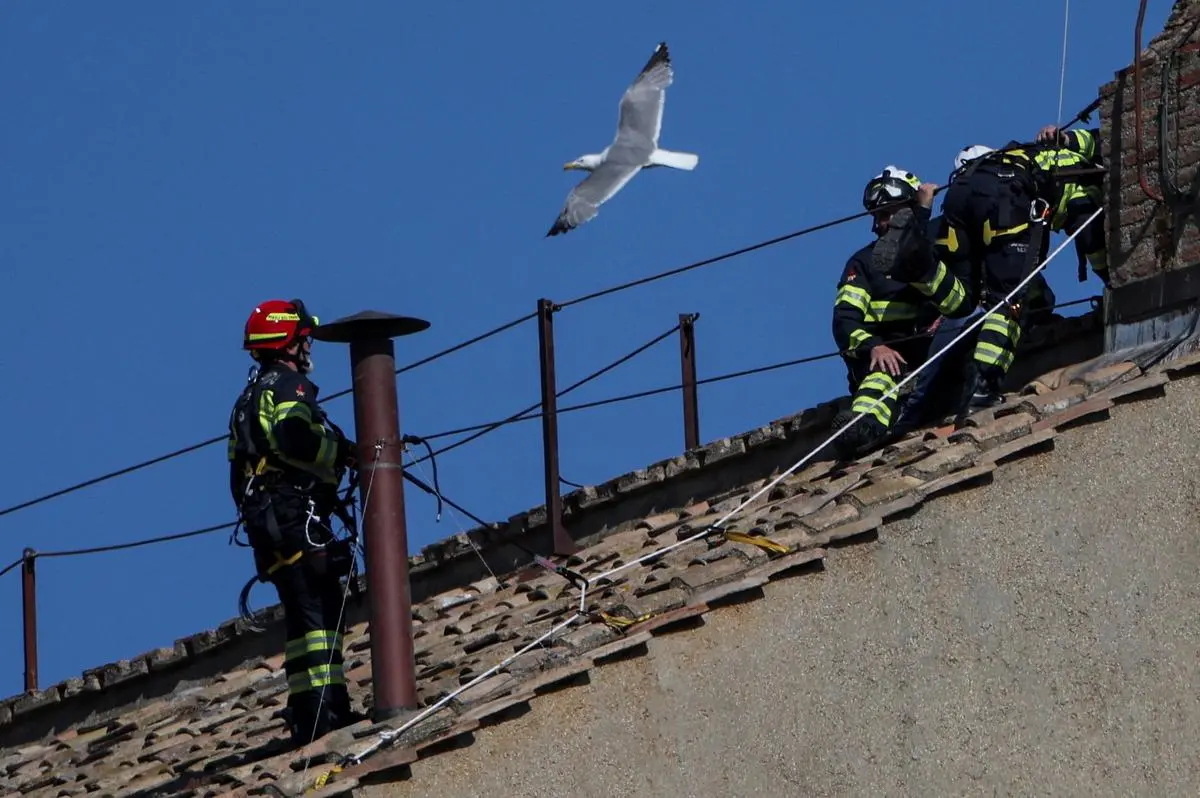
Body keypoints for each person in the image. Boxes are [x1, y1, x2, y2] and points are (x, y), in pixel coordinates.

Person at [227, 298, 361, 747]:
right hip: (295, 514)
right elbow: (295, 436)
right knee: (321, 610)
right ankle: (327, 715)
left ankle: (309, 712)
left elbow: (236, 473)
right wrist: (341, 453)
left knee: (303, 616)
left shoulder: (247, 399)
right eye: (304, 339)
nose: (309, 348)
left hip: (268, 525)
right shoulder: (289, 386)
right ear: (289, 342)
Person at [830, 166, 975, 459]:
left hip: (936, 344)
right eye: (876, 217)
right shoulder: (863, 263)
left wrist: (923, 215)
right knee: (880, 377)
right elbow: (845, 320)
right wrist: (874, 347)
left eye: (886, 215)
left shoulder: (942, 238)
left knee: (962, 309)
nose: (878, 225)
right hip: (888, 356)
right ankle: (862, 428)